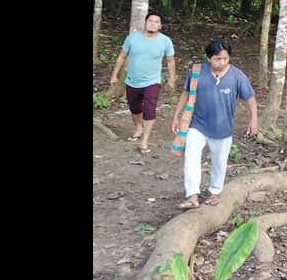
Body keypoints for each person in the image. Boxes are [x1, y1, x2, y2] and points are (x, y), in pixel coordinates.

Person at [171, 39, 258, 209]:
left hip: (223, 128)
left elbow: (250, 98)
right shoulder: (197, 72)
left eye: (225, 58)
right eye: (218, 59)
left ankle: (215, 193)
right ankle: (192, 195)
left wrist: (254, 120)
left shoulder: (237, 75)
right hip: (198, 124)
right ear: (209, 58)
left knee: (219, 161)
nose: (222, 62)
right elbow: (186, 94)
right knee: (191, 156)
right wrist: (176, 116)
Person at [108, 11, 176, 154]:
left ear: (160, 26)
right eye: (150, 21)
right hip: (132, 80)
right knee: (134, 107)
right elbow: (121, 56)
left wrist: (171, 79)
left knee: (150, 108)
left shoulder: (165, 41)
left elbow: (170, 61)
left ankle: (145, 140)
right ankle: (139, 127)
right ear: (145, 23)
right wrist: (114, 76)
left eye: (156, 22)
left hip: (152, 81)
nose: (153, 23)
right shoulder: (132, 38)